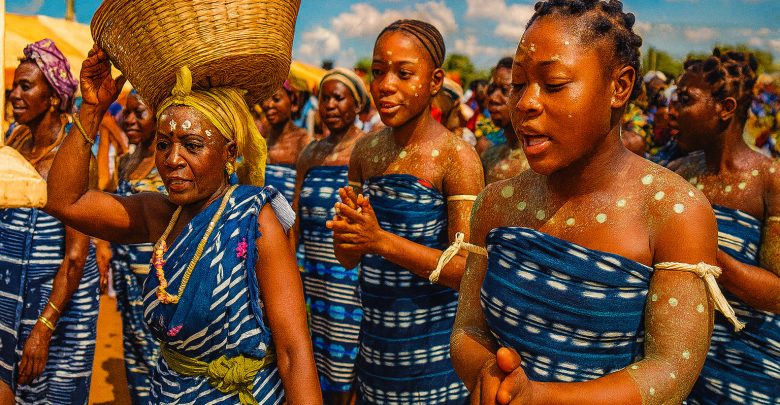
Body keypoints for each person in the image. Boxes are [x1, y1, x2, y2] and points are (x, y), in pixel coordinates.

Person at [450, 1, 731, 404]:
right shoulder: (496, 203)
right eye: (518, 83)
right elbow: (467, 332)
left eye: (554, 84)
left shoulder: (674, 211)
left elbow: (670, 371)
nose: (525, 102)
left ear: (619, 86)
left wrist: (544, 398)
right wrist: (490, 375)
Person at [45, 46, 322, 405]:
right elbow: (64, 201)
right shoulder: (159, 213)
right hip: (169, 393)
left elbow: (293, 351)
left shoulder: (254, 218)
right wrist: (92, 109)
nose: (172, 160)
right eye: (163, 144)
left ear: (229, 153)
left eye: (192, 145)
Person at [328, 19, 484, 404]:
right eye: (378, 72)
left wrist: (379, 241)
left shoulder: (456, 158)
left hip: (434, 367)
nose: (385, 85)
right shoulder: (365, 153)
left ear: (434, 82)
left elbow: (467, 271)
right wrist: (350, 237)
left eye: (403, 73)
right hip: (376, 358)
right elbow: (347, 257)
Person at [667, 49, 780, 405]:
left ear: (726, 108)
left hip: (749, 365)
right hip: (677, 363)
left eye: (685, 100)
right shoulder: (677, 172)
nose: (673, 110)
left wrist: (705, 255)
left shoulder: (770, 180)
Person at [0, 38, 100, 405]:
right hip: (12, 298)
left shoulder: (72, 157)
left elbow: (76, 255)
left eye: (26, 86)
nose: (14, 94)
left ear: (54, 97)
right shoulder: (15, 139)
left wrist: (44, 327)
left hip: (60, 306)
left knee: (52, 393)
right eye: (14, 86)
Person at [290, 68, 368, 405]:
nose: (331, 105)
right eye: (325, 97)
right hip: (313, 278)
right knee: (311, 361)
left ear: (357, 105)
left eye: (339, 97)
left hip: (351, 279)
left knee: (345, 367)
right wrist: (291, 270)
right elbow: (294, 219)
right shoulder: (310, 154)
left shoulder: (366, 151)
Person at [104, 90, 165, 405]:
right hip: (128, 282)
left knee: (159, 359)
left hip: (157, 285)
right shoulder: (127, 161)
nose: (128, 119)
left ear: (158, 116)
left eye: (138, 112)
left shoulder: (166, 164)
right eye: (125, 113)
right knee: (135, 359)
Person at [261, 81, 314, 202]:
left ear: (292, 101)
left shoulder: (303, 142)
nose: (268, 105)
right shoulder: (261, 144)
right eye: (264, 99)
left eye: (276, 99)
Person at [481, 57, 529, 184]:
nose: (492, 98)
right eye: (492, 89)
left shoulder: (540, 162)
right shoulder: (489, 157)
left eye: (504, 90)